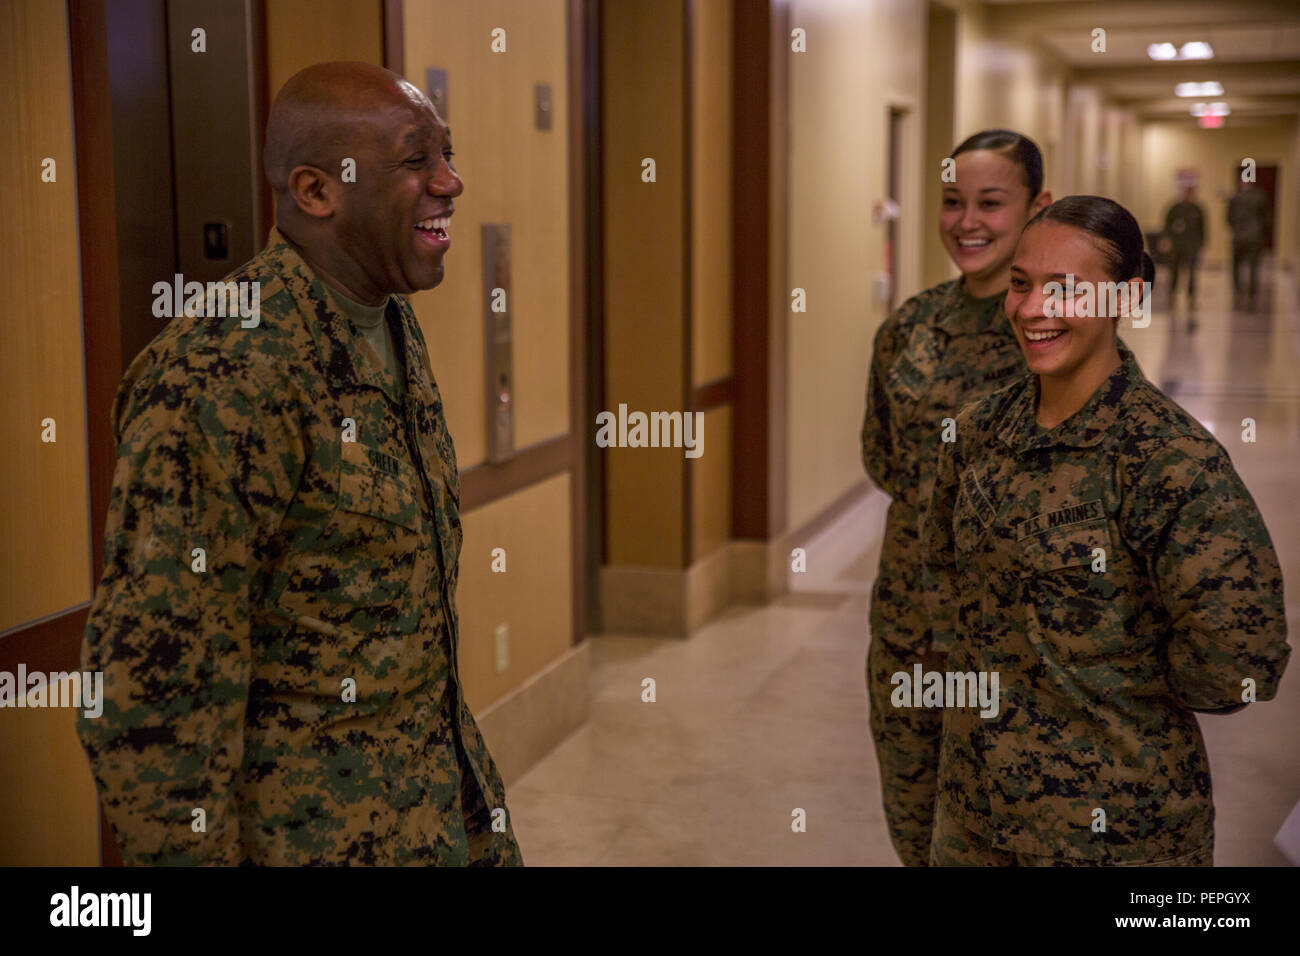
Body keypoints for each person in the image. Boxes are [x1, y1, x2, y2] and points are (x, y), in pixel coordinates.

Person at [76, 61, 523, 866]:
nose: (450, 182)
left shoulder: (386, 322)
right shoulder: (223, 373)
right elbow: (154, 699)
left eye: (446, 154)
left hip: (439, 812)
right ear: (317, 192)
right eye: (416, 159)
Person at [922, 195, 1290, 866]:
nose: (1034, 309)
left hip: (1117, 832)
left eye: (1066, 289)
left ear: (1128, 297)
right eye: (1022, 283)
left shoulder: (1170, 461)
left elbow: (1239, 663)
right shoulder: (976, 433)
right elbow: (945, 577)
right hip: (973, 818)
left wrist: (1108, 687)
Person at [860, 129, 1051, 866]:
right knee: (915, 826)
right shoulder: (910, 326)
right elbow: (884, 458)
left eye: (990, 203)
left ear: (1038, 207)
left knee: (1004, 841)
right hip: (910, 627)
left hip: (1022, 647)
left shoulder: (1054, 328)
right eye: (951, 202)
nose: (967, 222)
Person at [1227, 181, 1271, 308]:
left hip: (1239, 237)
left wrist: (1236, 229)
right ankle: (1252, 295)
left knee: (1236, 266)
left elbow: (1229, 218)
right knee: (1254, 266)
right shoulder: (1260, 197)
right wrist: (1261, 232)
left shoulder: (1235, 197)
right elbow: (1267, 218)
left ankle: (1238, 292)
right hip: (1255, 237)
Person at [1162, 184, 1204, 306]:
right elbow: (1167, 225)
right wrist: (1166, 240)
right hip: (1177, 245)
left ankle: (1191, 295)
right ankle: (1172, 293)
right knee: (1174, 270)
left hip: (1192, 245)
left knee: (1192, 271)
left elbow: (1202, 228)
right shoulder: (1175, 208)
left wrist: (1201, 244)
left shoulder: (1197, 209)